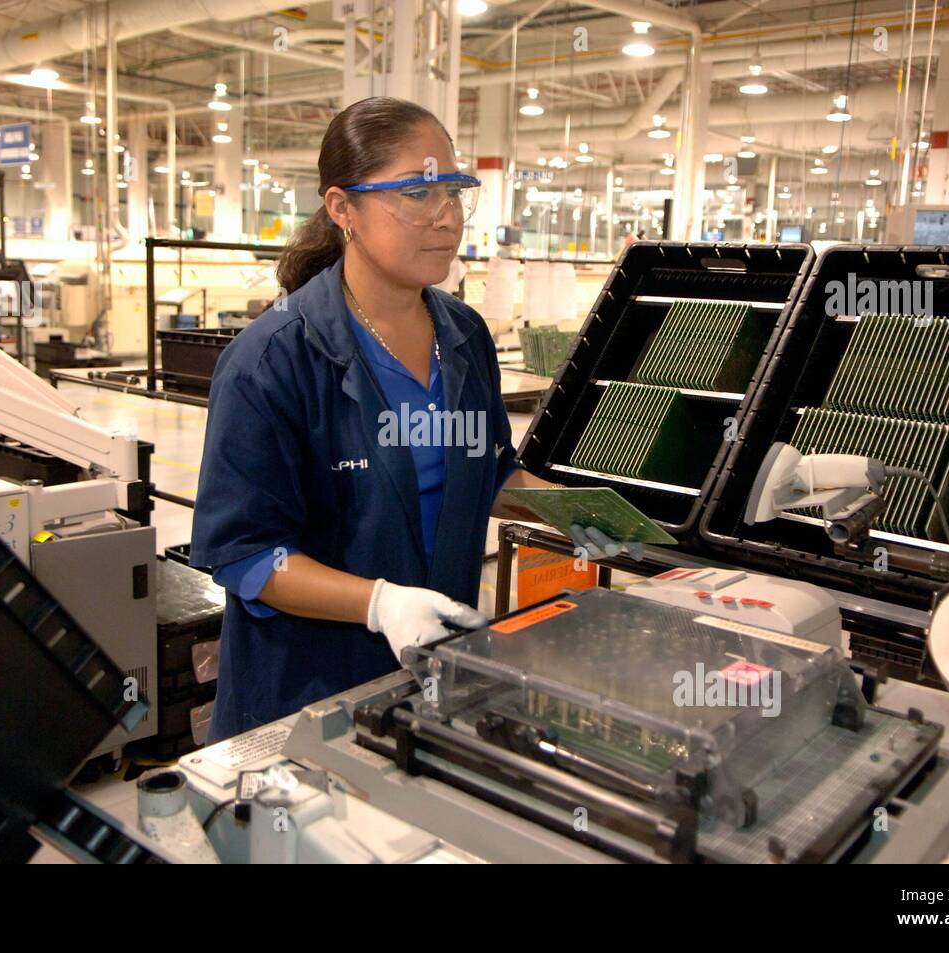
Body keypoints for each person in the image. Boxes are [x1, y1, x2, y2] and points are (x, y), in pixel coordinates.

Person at [190, 97, 635, 743]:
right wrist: (379, 603)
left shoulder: (465, 335)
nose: (447, 216)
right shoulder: (271, 360)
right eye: (418, 192)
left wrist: (581, 510)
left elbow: (485, 472)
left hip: (435, 673)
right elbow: (248, 554)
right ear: (344, 208)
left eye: (454, 191)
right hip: (306, 693)